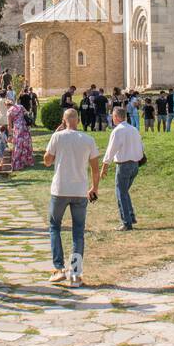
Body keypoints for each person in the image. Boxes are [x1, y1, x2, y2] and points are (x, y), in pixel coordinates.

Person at [43, 109, 101, 286]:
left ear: (64, 120)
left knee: (54, 227)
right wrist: (94, 187)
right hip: (79, 190)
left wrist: (54, 135)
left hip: (60, 189)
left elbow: (47, 161)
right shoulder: (88, 139)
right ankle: (75, 274)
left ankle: (59, 268)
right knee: (78, 232)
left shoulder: (58, 137)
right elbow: (95, 168)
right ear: (79, 120)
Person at [102, 106, 144, 230]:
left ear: (116, 117)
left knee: (121, 193)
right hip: (135, 164)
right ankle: (130, 216)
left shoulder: (118, 131)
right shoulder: (133, 129)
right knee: (124, 192)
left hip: (124, 164)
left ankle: (126, 222)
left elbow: (110, 150)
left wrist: (104, 166)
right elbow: (141, 146)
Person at [9, 96, 34, 170]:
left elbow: (10, 124)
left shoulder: (9, 111)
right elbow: (27, 113)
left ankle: (18, 162)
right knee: (26, 144)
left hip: (17, 128)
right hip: (24, 126)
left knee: (18, 145)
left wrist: (10, 135)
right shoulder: (21, 107)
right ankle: (27, 161)